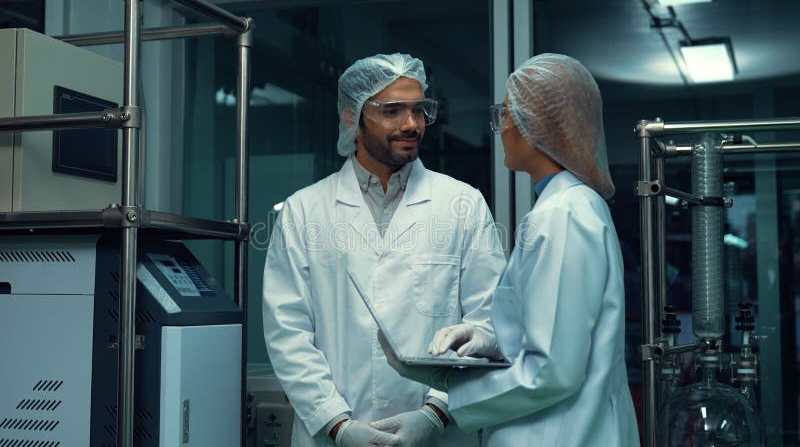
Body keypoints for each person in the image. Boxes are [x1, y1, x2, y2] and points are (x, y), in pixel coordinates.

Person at [379, 53, 641, 446]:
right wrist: (491, 340)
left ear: (536, 125)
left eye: (506, 113)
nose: (500, 128)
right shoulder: (568, 209)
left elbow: (553, 371)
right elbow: (556, 333)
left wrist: (453, 394)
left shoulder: (562, 216)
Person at [262, 52, 506, 447]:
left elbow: (488, 321)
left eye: (419, 110)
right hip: (331, 434)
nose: (411, 124)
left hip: (437, 432)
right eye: (392, 111)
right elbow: (287, 332)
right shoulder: (303, 210)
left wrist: (434, 414)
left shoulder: (463, 204)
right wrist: (338, 425)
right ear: (351, 118)